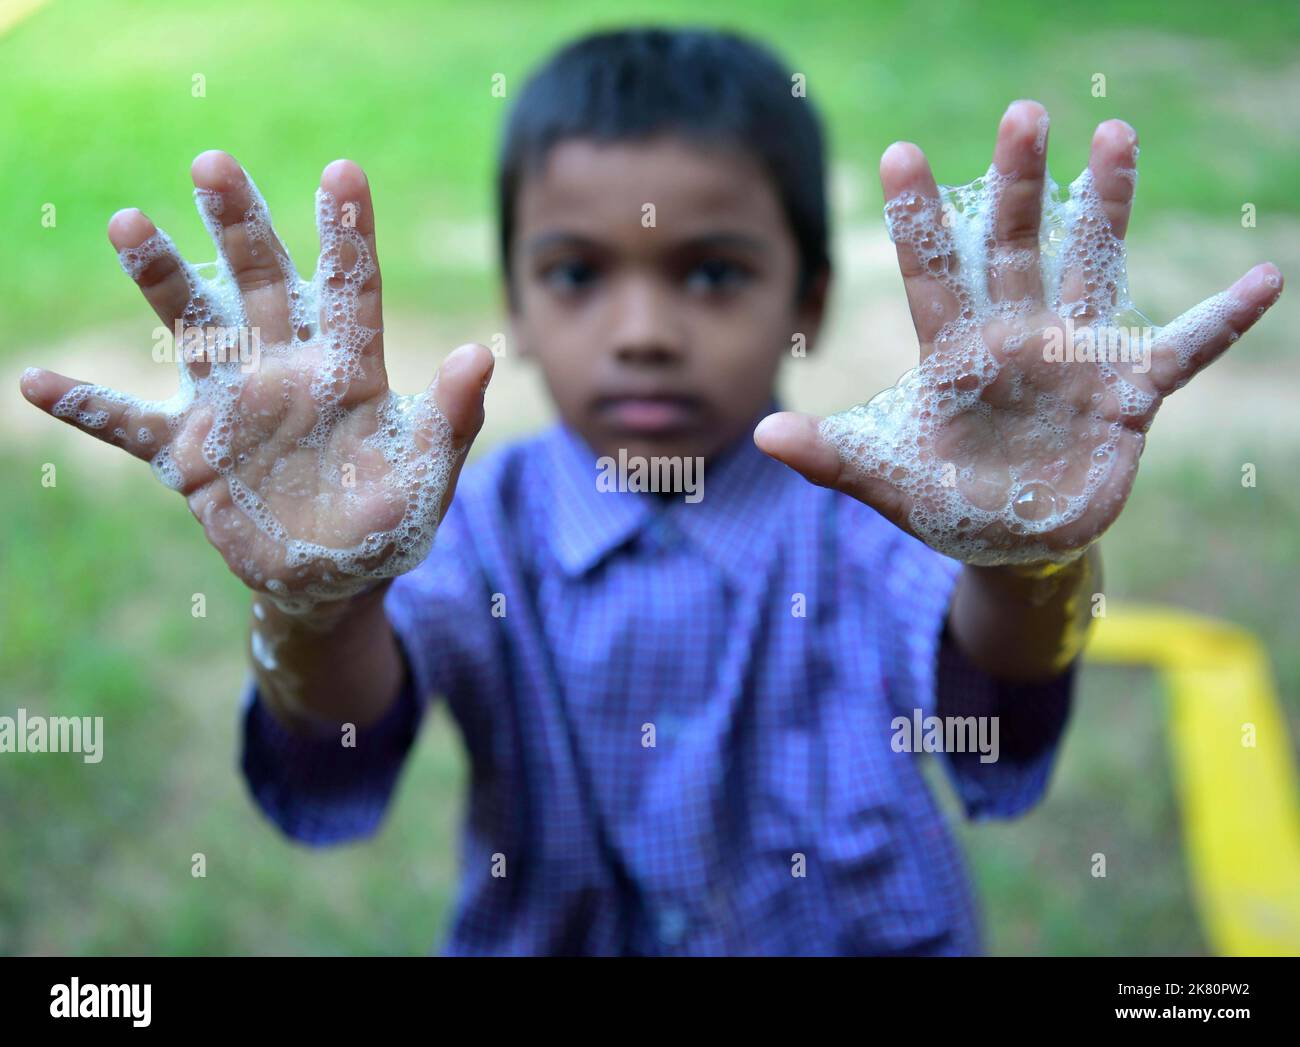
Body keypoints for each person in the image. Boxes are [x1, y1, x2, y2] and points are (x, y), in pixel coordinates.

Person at [20, 27, 1283, 955]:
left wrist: (1025, 554)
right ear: (514, 302)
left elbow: (998, 716)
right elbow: (343, 744)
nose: (642, 332)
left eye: (713, 272)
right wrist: (319, 602)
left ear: (810, 300)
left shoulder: (871, 505)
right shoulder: (472, 523)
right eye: (576, 274)